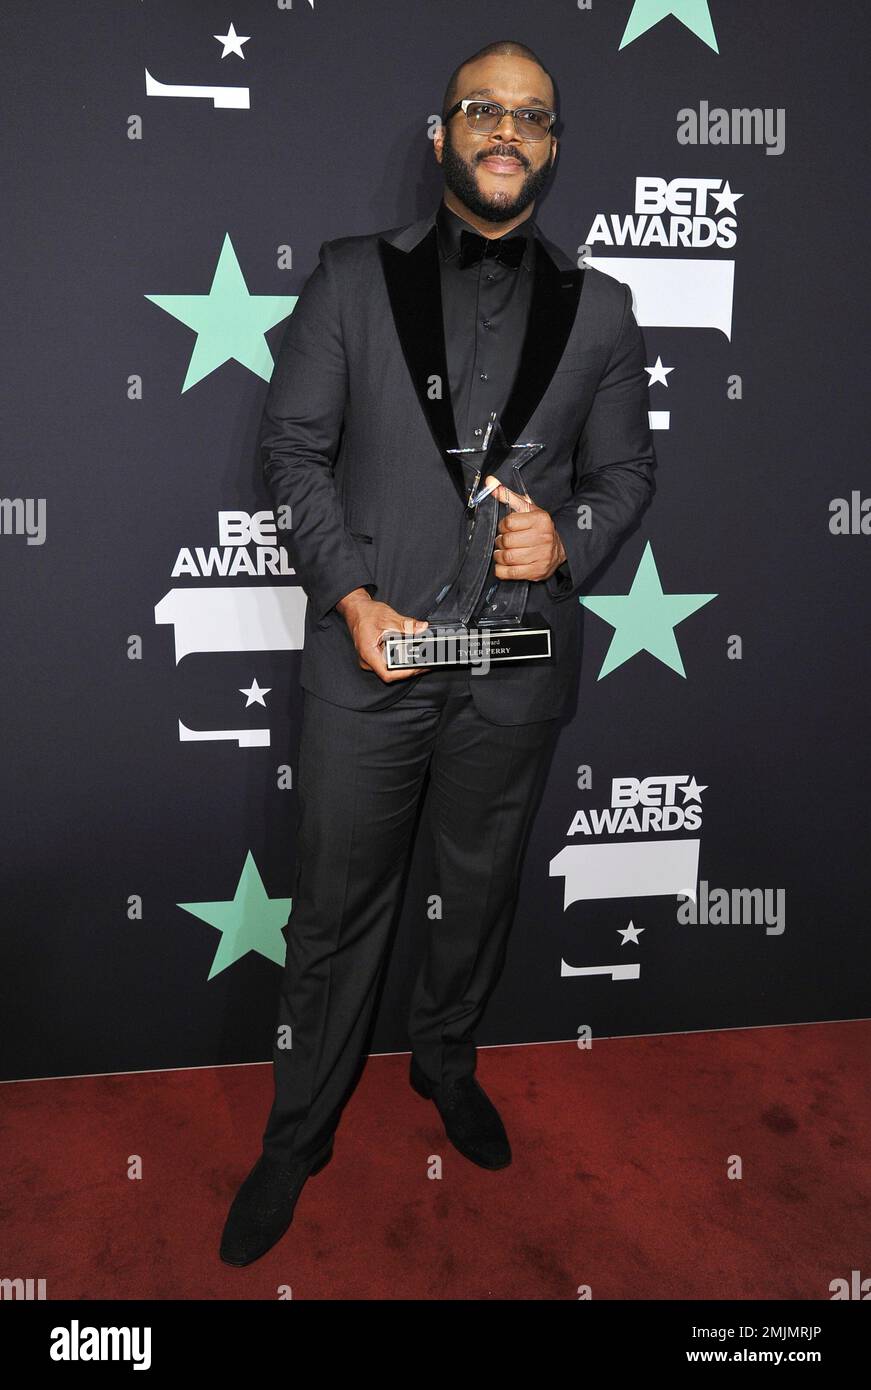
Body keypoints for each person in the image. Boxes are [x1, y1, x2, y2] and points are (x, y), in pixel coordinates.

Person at [220, 38, 655, 1266]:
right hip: (372, 660)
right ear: (441, 134)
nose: (505, 130)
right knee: (335, 916)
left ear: (554, 146)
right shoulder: (352, 279)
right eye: (484, 111)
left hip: (513, 673)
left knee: (475, 898)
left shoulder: (605, 309)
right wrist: (352, 597)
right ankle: (297, 1131)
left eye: (531, 116)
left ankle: (446, 1066)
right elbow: (292, 452)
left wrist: (566, 543)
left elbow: (628, 472)